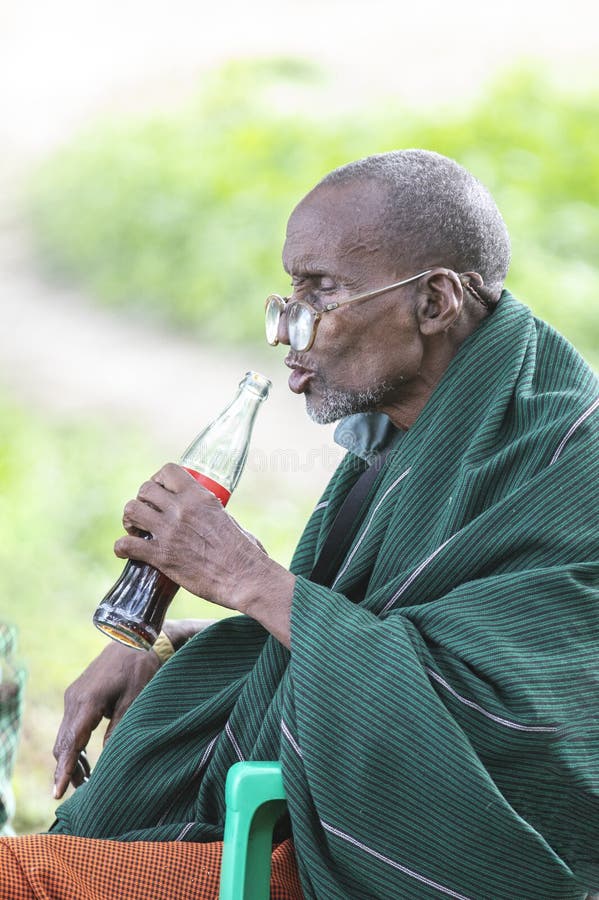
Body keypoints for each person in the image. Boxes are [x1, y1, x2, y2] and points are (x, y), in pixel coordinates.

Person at [1, 149, 598, 899]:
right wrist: (164, 644)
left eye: (320, 293)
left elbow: (512, 734)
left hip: (374, 852)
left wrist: (244, 576)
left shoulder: (567, 468)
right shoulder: (415, 437)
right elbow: (387, 632)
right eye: (288, 294)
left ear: (435, 302)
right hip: (303, 817)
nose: (287, 330)